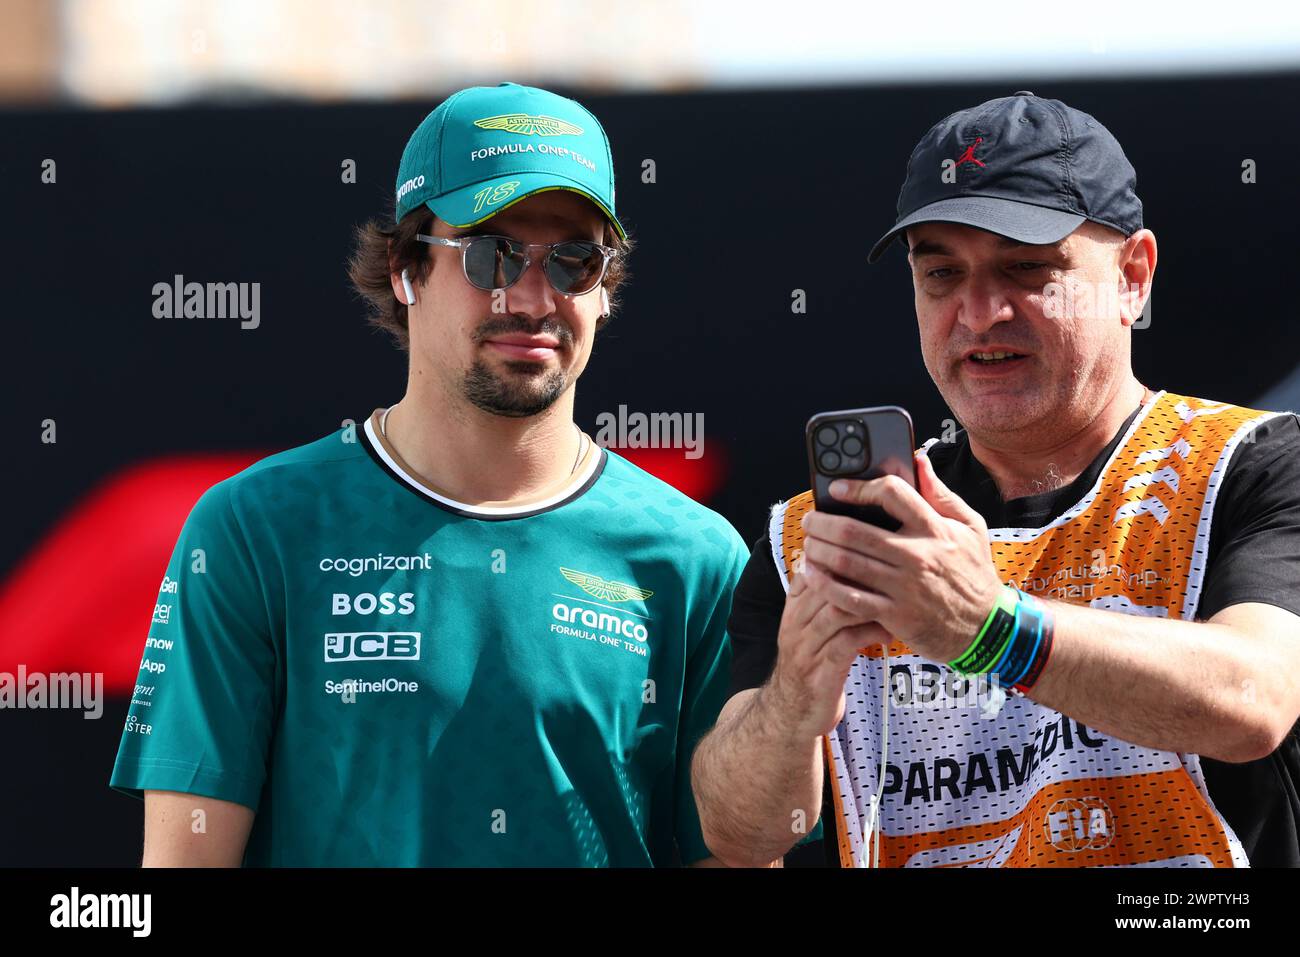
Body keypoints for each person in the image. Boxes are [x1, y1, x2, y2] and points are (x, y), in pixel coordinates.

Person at [110, 82, 747, 867]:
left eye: (576, 260)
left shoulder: (696, 556)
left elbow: (738, 852)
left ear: (605, 288)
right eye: (492, 253)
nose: (533, 295)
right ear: (406, 265)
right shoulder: (254, 530)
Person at [692, 91, 1300, 868]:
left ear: (1133, 277)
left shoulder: (1247, 464)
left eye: (1026, 268)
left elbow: (1251, 700)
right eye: (942, 273)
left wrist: (989, 628)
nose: (980, 312)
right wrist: (793, 703)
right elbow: (742, 836)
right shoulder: (822, 539)